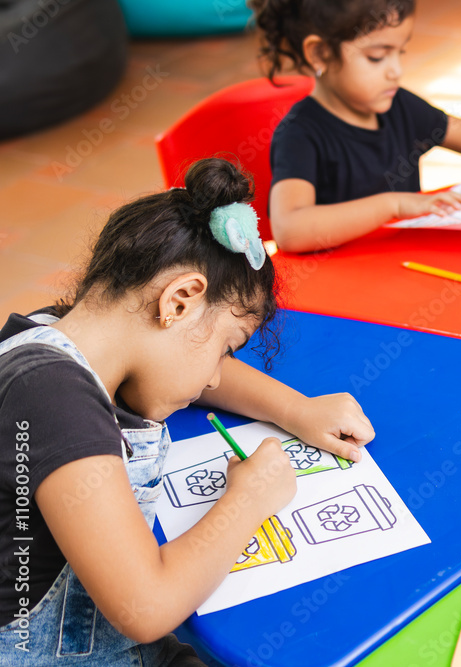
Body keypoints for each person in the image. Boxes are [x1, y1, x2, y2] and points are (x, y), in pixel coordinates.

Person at [0, 158, 374, 664]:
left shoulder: (66, 334)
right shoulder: (51, 400)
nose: (215, 378)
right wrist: (248, 500)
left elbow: (183, 356)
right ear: (178, 301)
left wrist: (296, 409)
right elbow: (145, 606)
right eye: (227, 347)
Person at [250, 0, 461, 252]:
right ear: (321, 54)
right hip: (334, 292)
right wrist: (393, 205)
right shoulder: (301, 134)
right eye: (377, 57)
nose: (396, 70)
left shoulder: (401, 106)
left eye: (401, 52)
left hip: (402, 262)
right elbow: (290, 230)